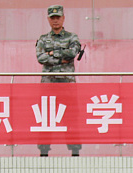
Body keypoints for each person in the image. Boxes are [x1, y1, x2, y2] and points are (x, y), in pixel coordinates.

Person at [36, 5, 82, 157]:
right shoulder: (43, 38)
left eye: (58, 17)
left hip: (67, 83)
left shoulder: (72, 37)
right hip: (48, 84)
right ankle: (44, 151)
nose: (55, 20)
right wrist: (61, 57)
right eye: (52, 18)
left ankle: (75, 151)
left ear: (63, 18)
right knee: (46, 116)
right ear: (48, 19)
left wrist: (51, 54)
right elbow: (40, 58)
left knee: (71, 117)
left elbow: (73, 53)